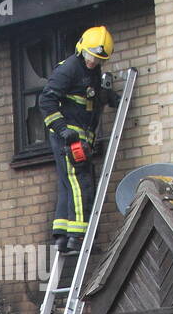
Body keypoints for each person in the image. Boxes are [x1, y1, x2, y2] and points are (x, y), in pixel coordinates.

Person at [39, 26, 118, 252]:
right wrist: (63, 129)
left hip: (80, 137)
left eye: (98, 58)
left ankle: (62, 237)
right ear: (81, 50)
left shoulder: (91, 71)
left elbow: (89, 97)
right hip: (69, 138)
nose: (93, 61)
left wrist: (110, 97)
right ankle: (79, 237)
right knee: (80, 183)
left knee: (67, 184)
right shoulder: (69, 69)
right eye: (90, 56)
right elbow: (46, 102)